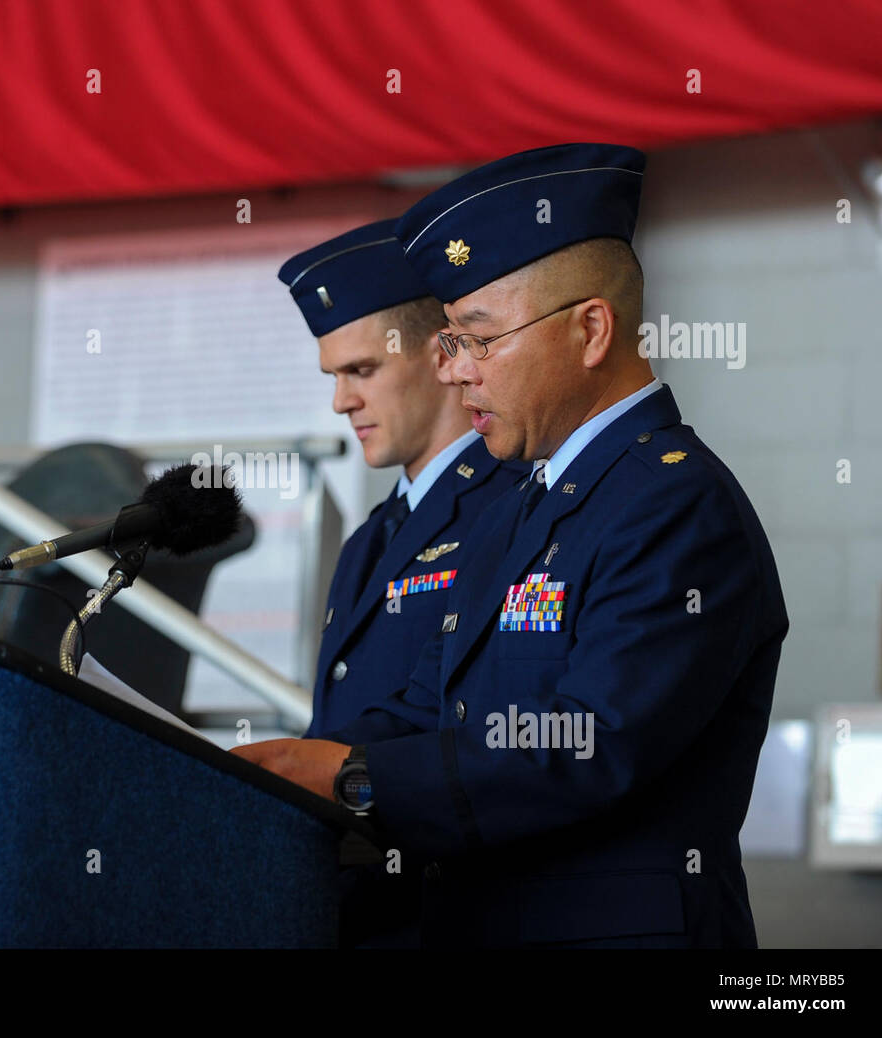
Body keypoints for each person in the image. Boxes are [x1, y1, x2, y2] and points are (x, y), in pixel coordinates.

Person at [239, 143, 789, 948]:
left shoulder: (673, 503)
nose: (457, 373)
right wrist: (275, 763)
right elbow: (428, 707)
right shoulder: (520, 509)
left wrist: (352, 777)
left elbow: (589, 742)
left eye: (478, 339)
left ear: (590, 329)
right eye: (452, 342)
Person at [279, 220, 522, 737]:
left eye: (362, 371)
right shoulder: (370, 538)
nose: (342, 401)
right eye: (335, 377)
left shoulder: (513, 506)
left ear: (443, 356)